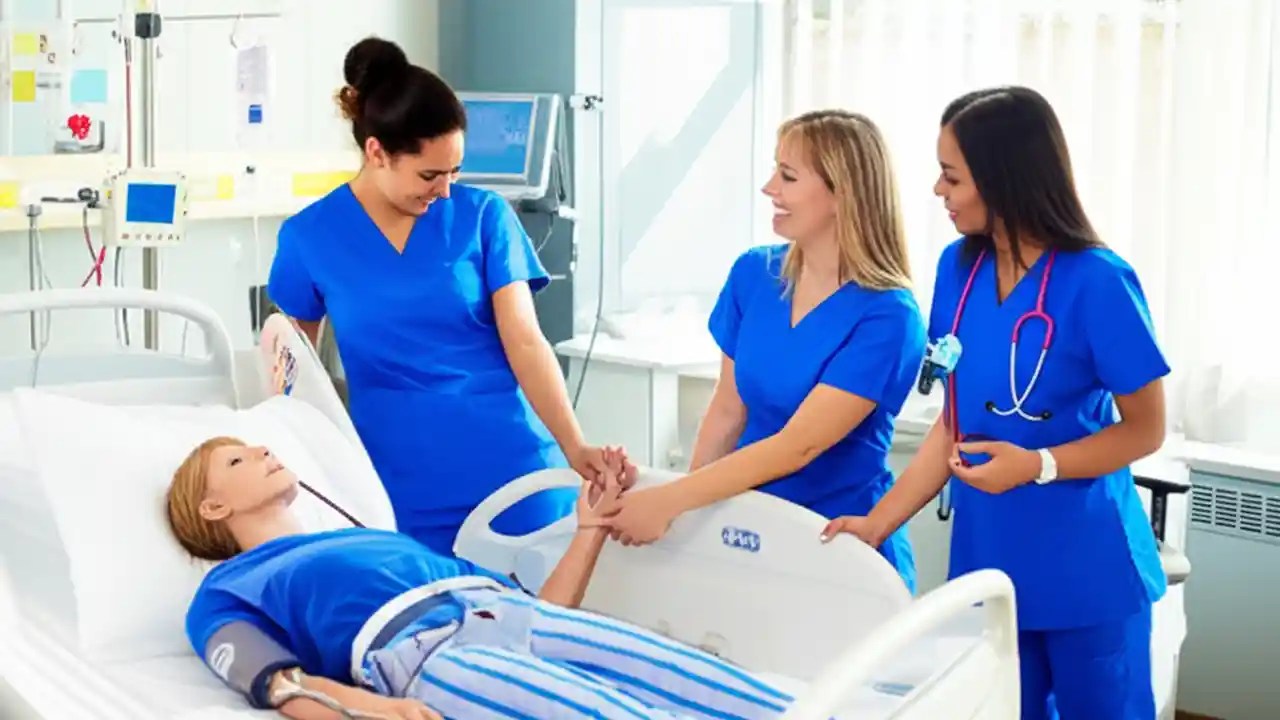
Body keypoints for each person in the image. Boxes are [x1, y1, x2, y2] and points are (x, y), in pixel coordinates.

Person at [822, 86, 1169, 720]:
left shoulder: (1099, 282)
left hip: (1087, 565)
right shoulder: (958, 269)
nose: (938, 190)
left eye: (951, 176)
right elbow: (952, 424)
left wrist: (1037, 465)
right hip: (990, 563)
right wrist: (876, 524)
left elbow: (1146, 431)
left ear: (1003, 175)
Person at [265, 36, 621, 555]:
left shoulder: (484, 217)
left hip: (513, 471)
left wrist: (574, 444)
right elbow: (295, 378)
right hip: (395, 484)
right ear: (377, 152)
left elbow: (526, 342)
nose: (446, 190)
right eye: (430, 174)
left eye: (455, 172)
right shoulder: (310, 237)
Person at [167, 437, 798, 720]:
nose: (265, 451)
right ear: (212, 507)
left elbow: (546, 608)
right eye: (238, 459)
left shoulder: (369, 538)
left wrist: (589, 529)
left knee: (707, 682)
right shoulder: (224, 593)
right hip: (429, 653)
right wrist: (374, 708)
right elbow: (278, 683)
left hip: (514, 612)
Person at [600, 110, 928, 592]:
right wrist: (682, 516)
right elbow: (727, 410)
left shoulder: (888, 317)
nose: (769, 187)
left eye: (788, 176)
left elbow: (799, 446)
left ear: (843, 193)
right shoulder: (755, 274)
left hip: (839, 544)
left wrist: (670, 500)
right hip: (749, 528)